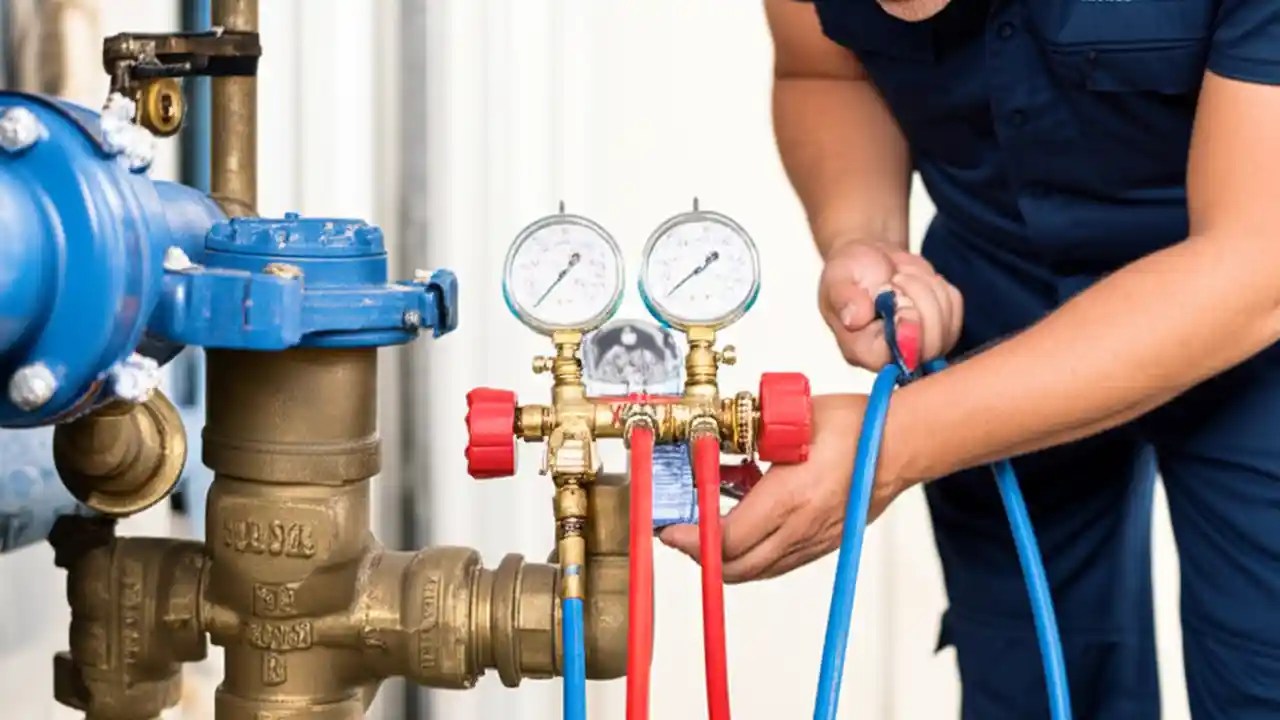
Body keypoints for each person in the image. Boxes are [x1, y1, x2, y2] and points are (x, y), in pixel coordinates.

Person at [658, 1, 1280, 717]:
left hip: (1255, 323)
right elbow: (821, 70)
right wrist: (866, 236)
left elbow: (1254, 260)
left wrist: (890, 444)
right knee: (1030, 689)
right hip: (995, 297)